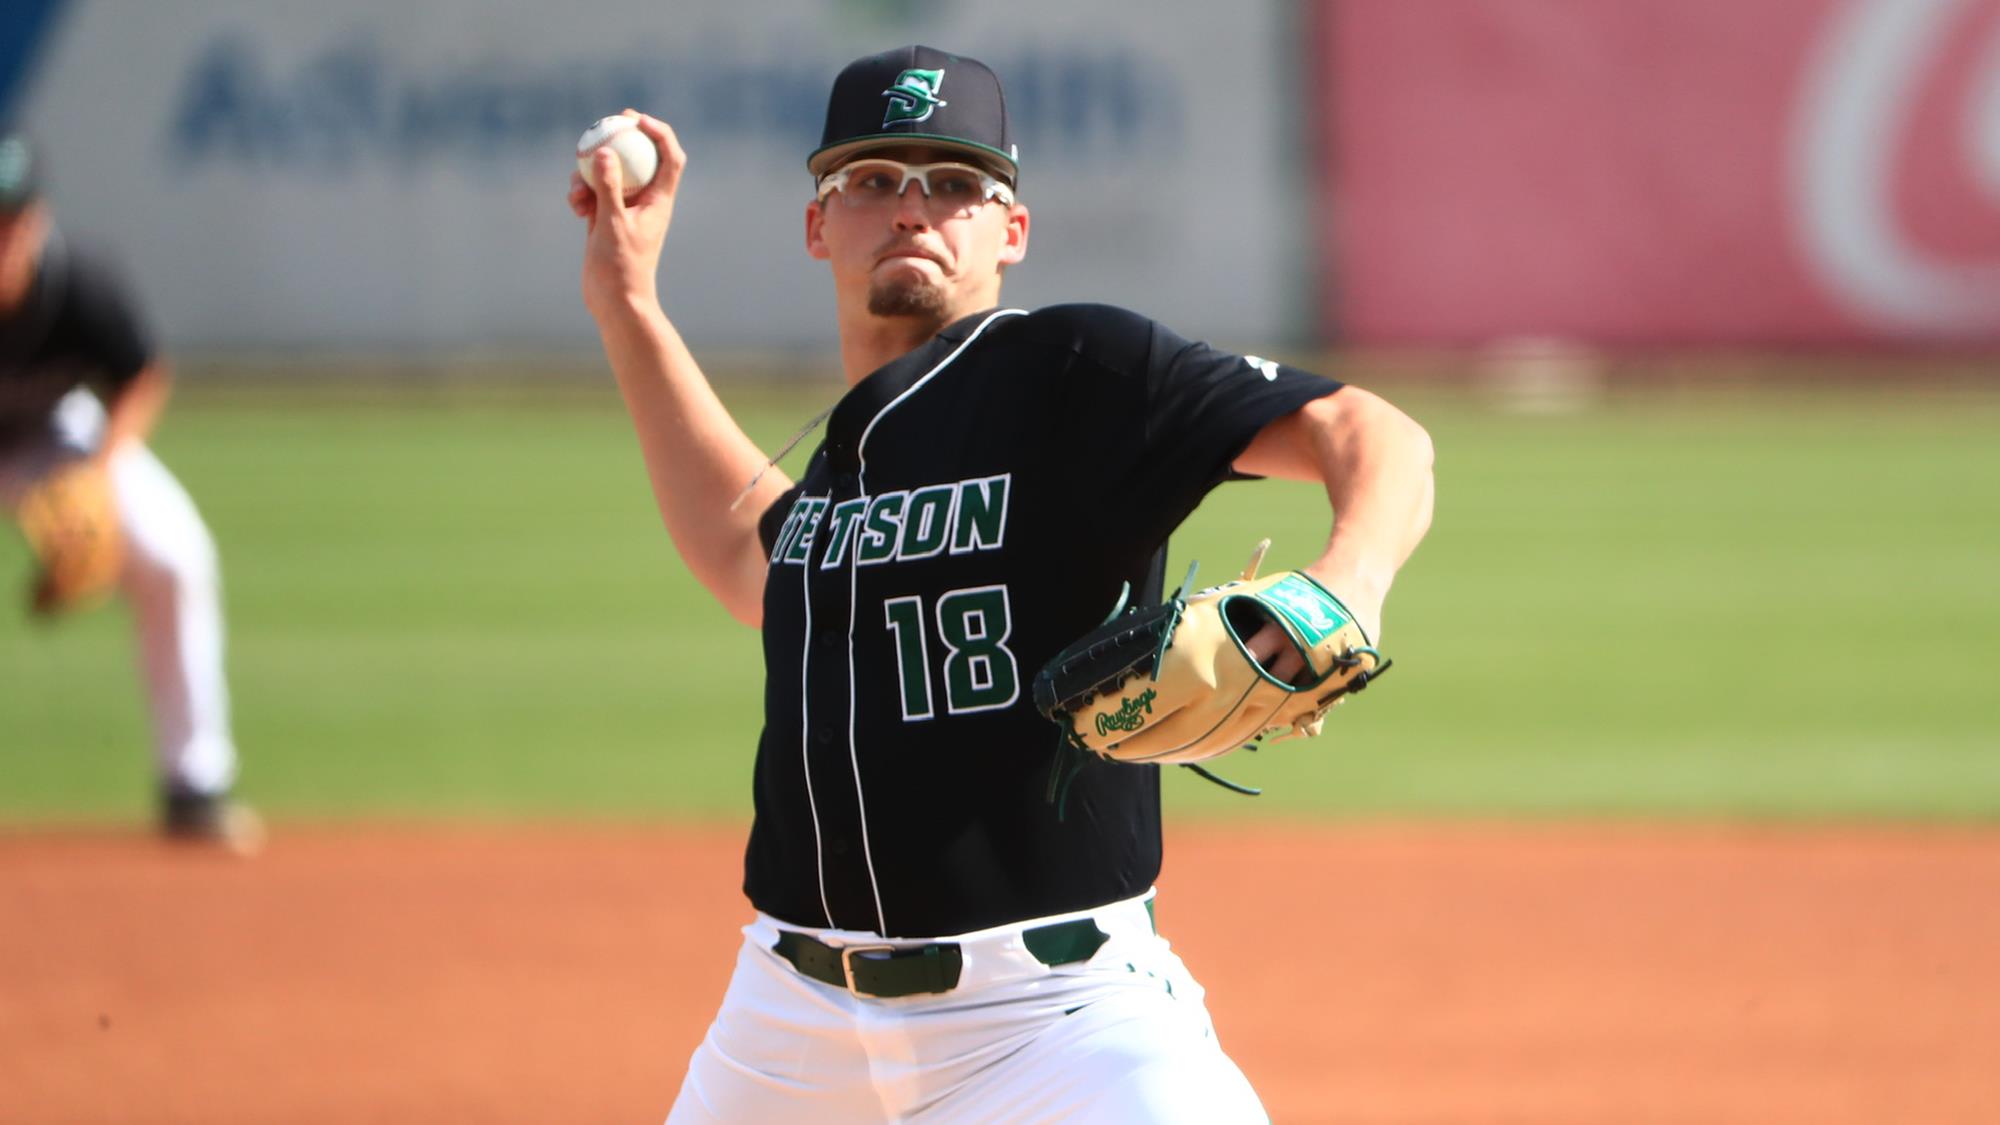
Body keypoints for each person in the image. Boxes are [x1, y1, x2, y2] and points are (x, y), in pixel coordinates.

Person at [570, 46, 1434, 1122]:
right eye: (873, 181)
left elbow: (1373, 434)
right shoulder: (851, 459)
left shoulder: (1075, 370)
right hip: (786, 1031)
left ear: (1009, 231)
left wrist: (1344, 584)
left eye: (955, 184)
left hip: (1060, 1025)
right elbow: (753, 558)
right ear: (817, 226)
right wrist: (625, 304)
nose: (912, 208)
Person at [0, 131, 259, 854]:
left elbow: (142, 375)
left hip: (53, 438)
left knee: (175, 556)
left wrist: (100, 473)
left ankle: (194, 785)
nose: (3, 235)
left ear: (38, 217)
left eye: (13, 217)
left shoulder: (78, 281)